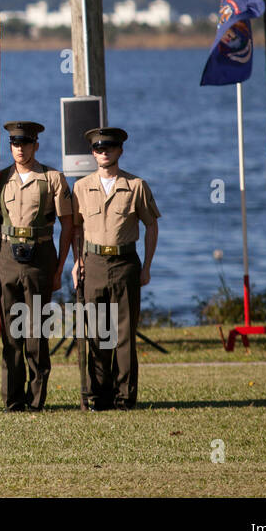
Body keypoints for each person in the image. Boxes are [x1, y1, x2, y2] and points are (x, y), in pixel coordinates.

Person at [70, 126, 160, 411]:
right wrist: (77, 261)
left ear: (120, 150)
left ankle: (124, 398)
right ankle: (98, 396)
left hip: (124, 264)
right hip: (94, 263)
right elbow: (76, 228)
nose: (103, 152)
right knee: (97, 333)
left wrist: (147, 266)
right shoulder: (81, 187)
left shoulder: (136, 186)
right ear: (92, 153)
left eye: (109, 147)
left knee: (123, 334)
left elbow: (151, 225)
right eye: (98, 148)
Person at [0, 120, 74, 412]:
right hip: (8, 257)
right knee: (11, 334)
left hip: (40, 256)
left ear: (36, 145)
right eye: (14, 143)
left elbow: (68, 225)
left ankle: (35, 399)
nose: (20, 148)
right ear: (9, 146)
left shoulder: (52, 178)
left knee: (36, 332)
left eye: (25, 143)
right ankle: (12, 399)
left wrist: (60, 267)